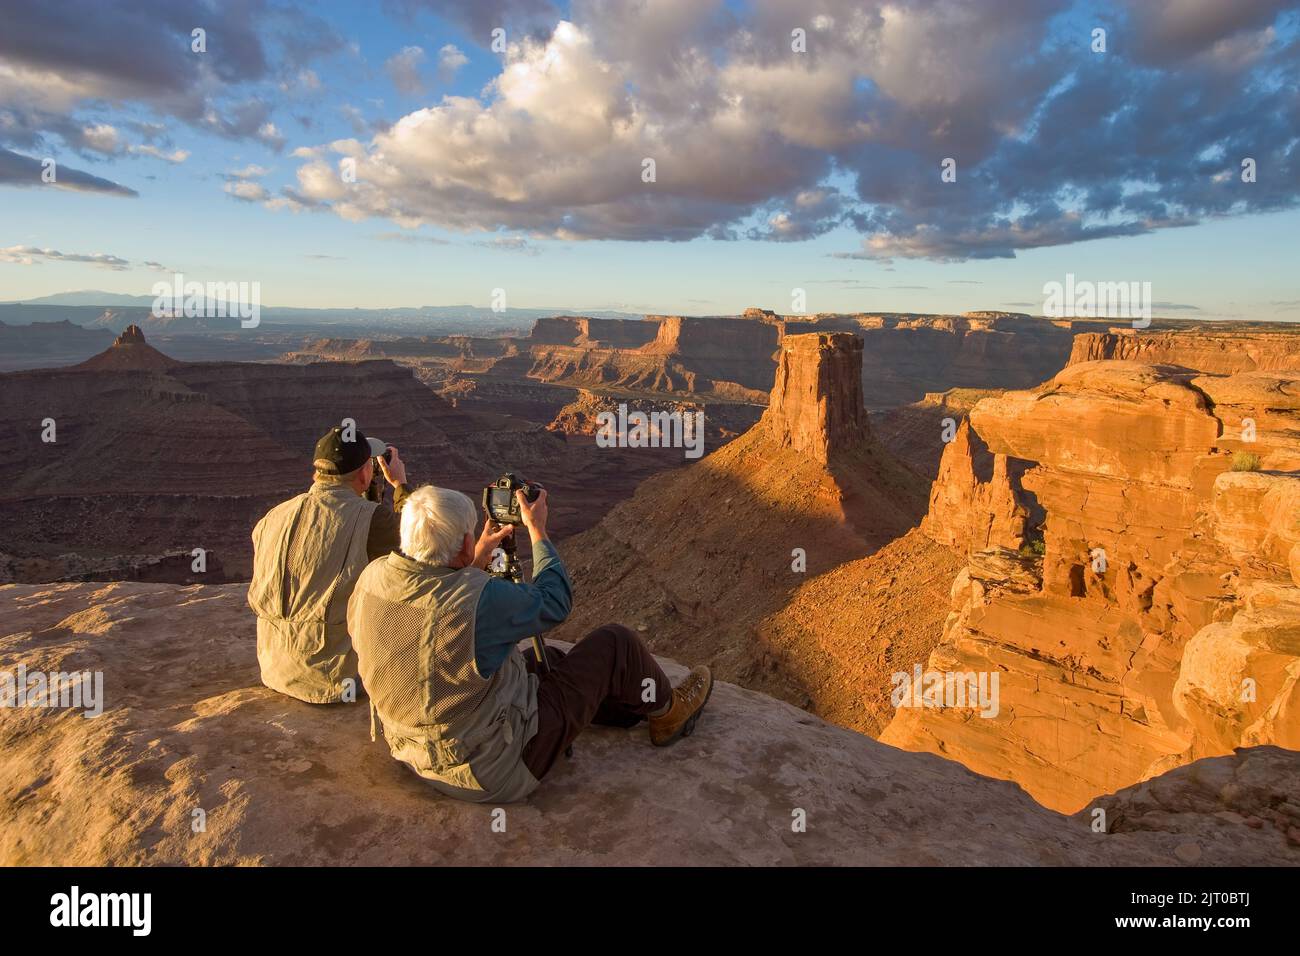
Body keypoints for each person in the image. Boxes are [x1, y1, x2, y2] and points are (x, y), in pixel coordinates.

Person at [347, 483, 713, 803]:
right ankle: (669, 713)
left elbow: (426, 619)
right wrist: (537, 530)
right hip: (490, 773)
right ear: (463, 545)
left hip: (411, 753)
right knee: (614, 643)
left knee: (546, 661)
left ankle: (625, 709)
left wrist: (470, 563)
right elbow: (554, 602)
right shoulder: (480, 600)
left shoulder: (372, 578)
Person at [247, 424, 411, 704]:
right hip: (336, 677)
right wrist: (400, 487)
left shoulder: (273, 516)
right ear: (364, 473)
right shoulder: (372, 520)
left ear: (317, 471)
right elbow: (419, 559)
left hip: (277, 668)